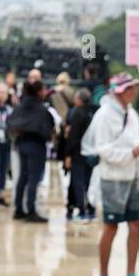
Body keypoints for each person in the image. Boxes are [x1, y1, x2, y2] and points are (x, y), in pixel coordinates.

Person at [85, 72, 139, 276]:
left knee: (135, 225)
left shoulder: (133, 114)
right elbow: (103, 149)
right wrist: (130, 153)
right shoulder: (104, 116)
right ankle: (103, 272)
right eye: (128, 88)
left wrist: (137, 156)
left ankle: (131, 271)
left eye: (133, 88)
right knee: (111, 227)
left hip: (131, 176)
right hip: (112, 178)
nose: (133, 92)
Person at [9, 77, 54, 222]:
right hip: (36, 145)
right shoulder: (41, 109)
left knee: (22, 177)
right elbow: (48, 130)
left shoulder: (20, 107)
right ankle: (31, 210)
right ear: (40, 91)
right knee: (34, 178)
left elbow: (10, 123)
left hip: (21, 144)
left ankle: (18, 209)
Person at [63, 86, 94, 220]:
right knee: (86, 181)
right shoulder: (93, 113)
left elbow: (73, 136)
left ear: (79, 100)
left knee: (77, 181)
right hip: (90, 152)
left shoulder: (76, 113)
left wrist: (67, 154)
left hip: (77, 152)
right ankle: (88, 208)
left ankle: (81, 209)